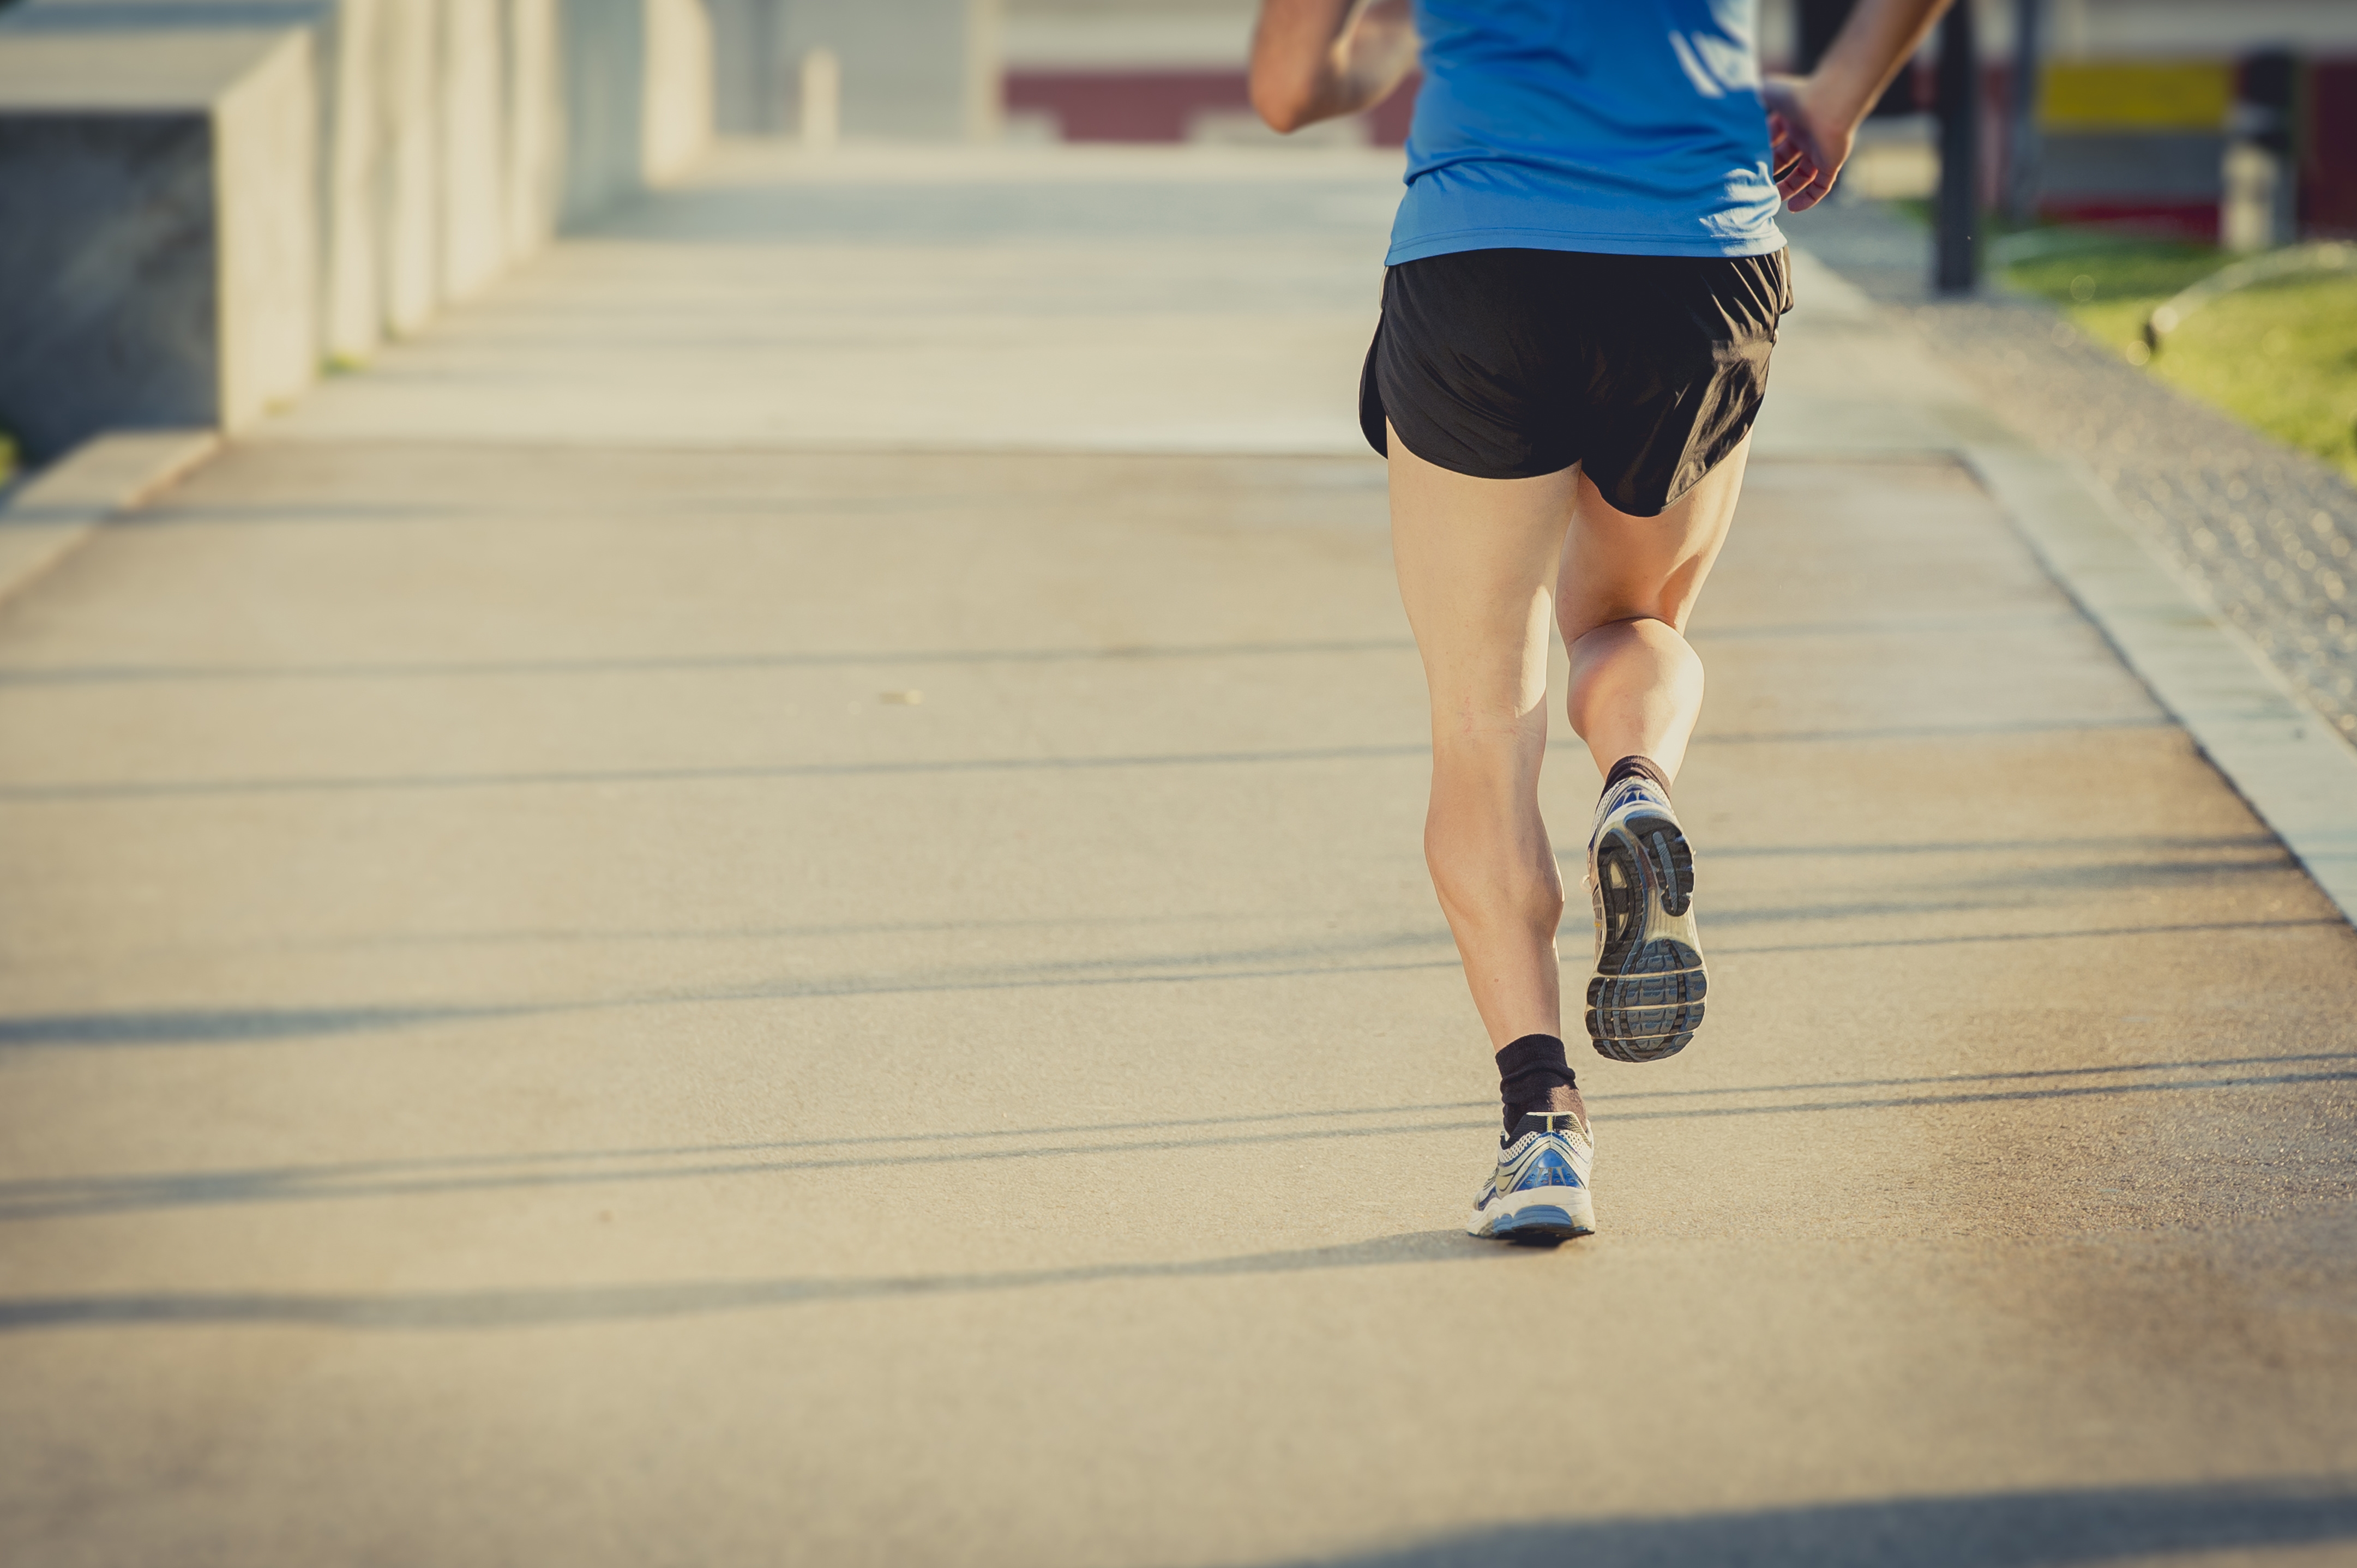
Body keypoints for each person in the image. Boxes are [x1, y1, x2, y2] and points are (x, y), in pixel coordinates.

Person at [1249, 0, 1952, 1242]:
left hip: (1482, 261)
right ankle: (1637, 781)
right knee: (1630, 618)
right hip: (1695, 255)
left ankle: (1543, 1132)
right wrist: (1839, 92)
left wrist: (1417, 36)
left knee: (1482, 710)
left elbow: (1290, 86)